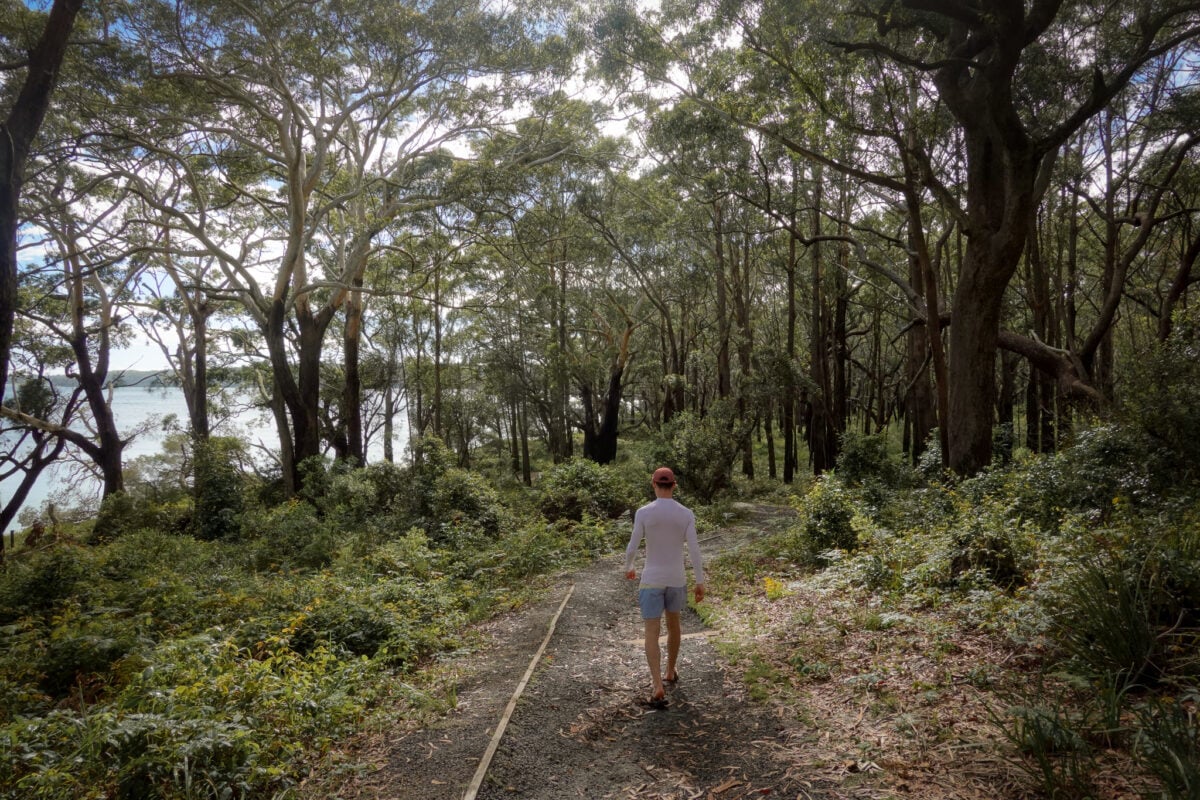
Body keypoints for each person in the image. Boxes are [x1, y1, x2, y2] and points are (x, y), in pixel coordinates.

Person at [624, 466, 705, 708]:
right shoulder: (686, 514)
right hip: (676, 578)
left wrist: (628, 566)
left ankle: (657, 684)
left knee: (651, 631)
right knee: (674, 625)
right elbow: (695, 550)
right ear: (674, 485)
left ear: (653, 484)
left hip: (651, 579)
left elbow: (633, 544)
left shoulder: (644, 512)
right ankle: (670, 670)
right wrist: (699, 581)